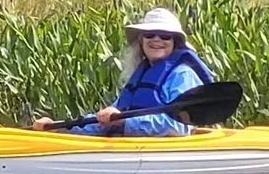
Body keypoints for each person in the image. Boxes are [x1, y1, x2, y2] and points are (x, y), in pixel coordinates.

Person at [32, 7, 218, 139]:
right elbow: (105, 120)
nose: (156, 40)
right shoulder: (142, 74)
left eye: (164, 36)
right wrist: (59, 127)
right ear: (141, 40)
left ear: (175, 42)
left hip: (167, 169)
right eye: (150, 35)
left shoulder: (182, 75)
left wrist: (122, 123)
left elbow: (178, 126)